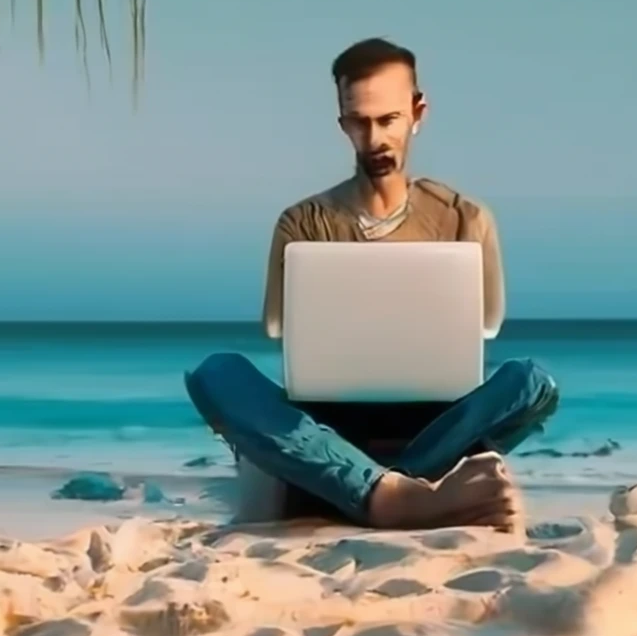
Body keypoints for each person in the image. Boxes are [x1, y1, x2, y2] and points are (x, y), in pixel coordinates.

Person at [184, 38, 559, 531]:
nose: (375, 136)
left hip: (434, 424)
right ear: (343, 124)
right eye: (359, 122)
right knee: (218, 372)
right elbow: (277, 326)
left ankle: (355, 487)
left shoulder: (467, 217)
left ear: (417, 112)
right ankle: (394, 492)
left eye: (388, 119)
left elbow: (487, 327)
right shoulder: (302, 221)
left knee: (532, 381)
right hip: (326, 421)